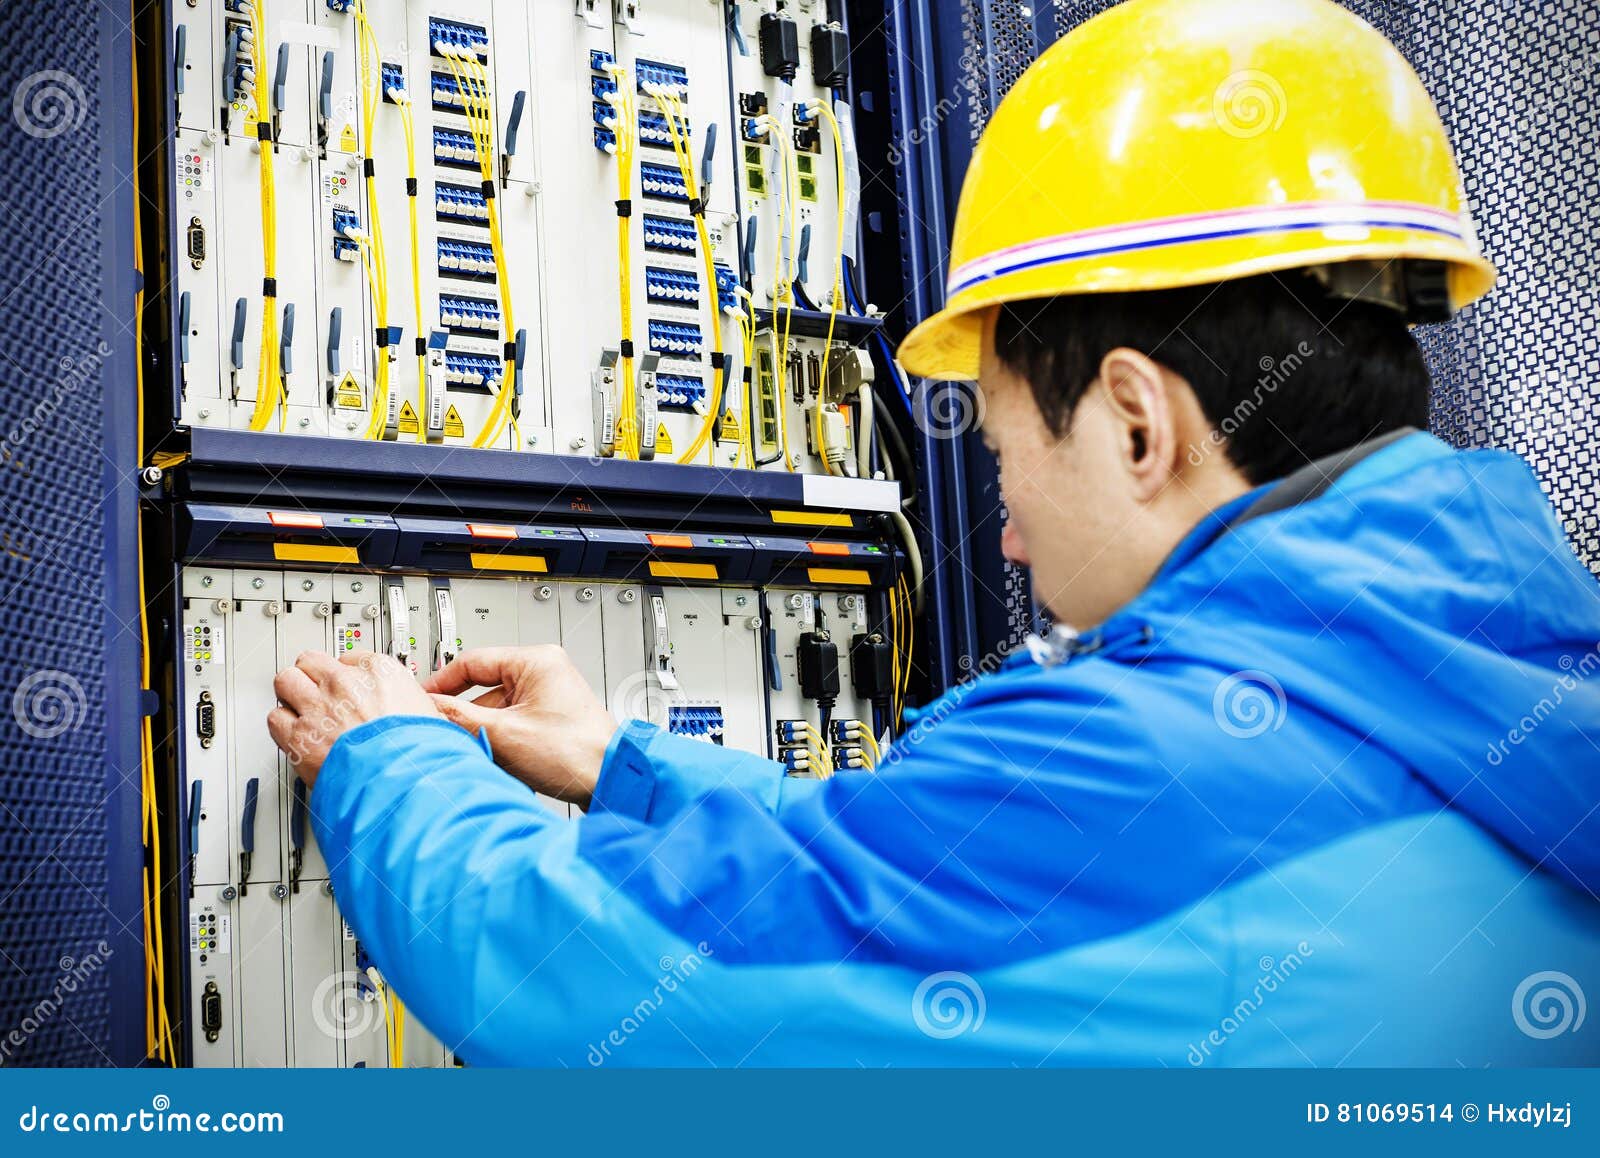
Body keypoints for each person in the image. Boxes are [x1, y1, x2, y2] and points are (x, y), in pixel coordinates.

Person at [268, 0, 1600, 1066]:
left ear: (1137, 423)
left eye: (1006, 449)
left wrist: (386, 760)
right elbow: (939, 887)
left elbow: (602, 982)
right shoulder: (1504, 672)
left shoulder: (1147, 760)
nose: (1004, 537)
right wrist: (626, 763)